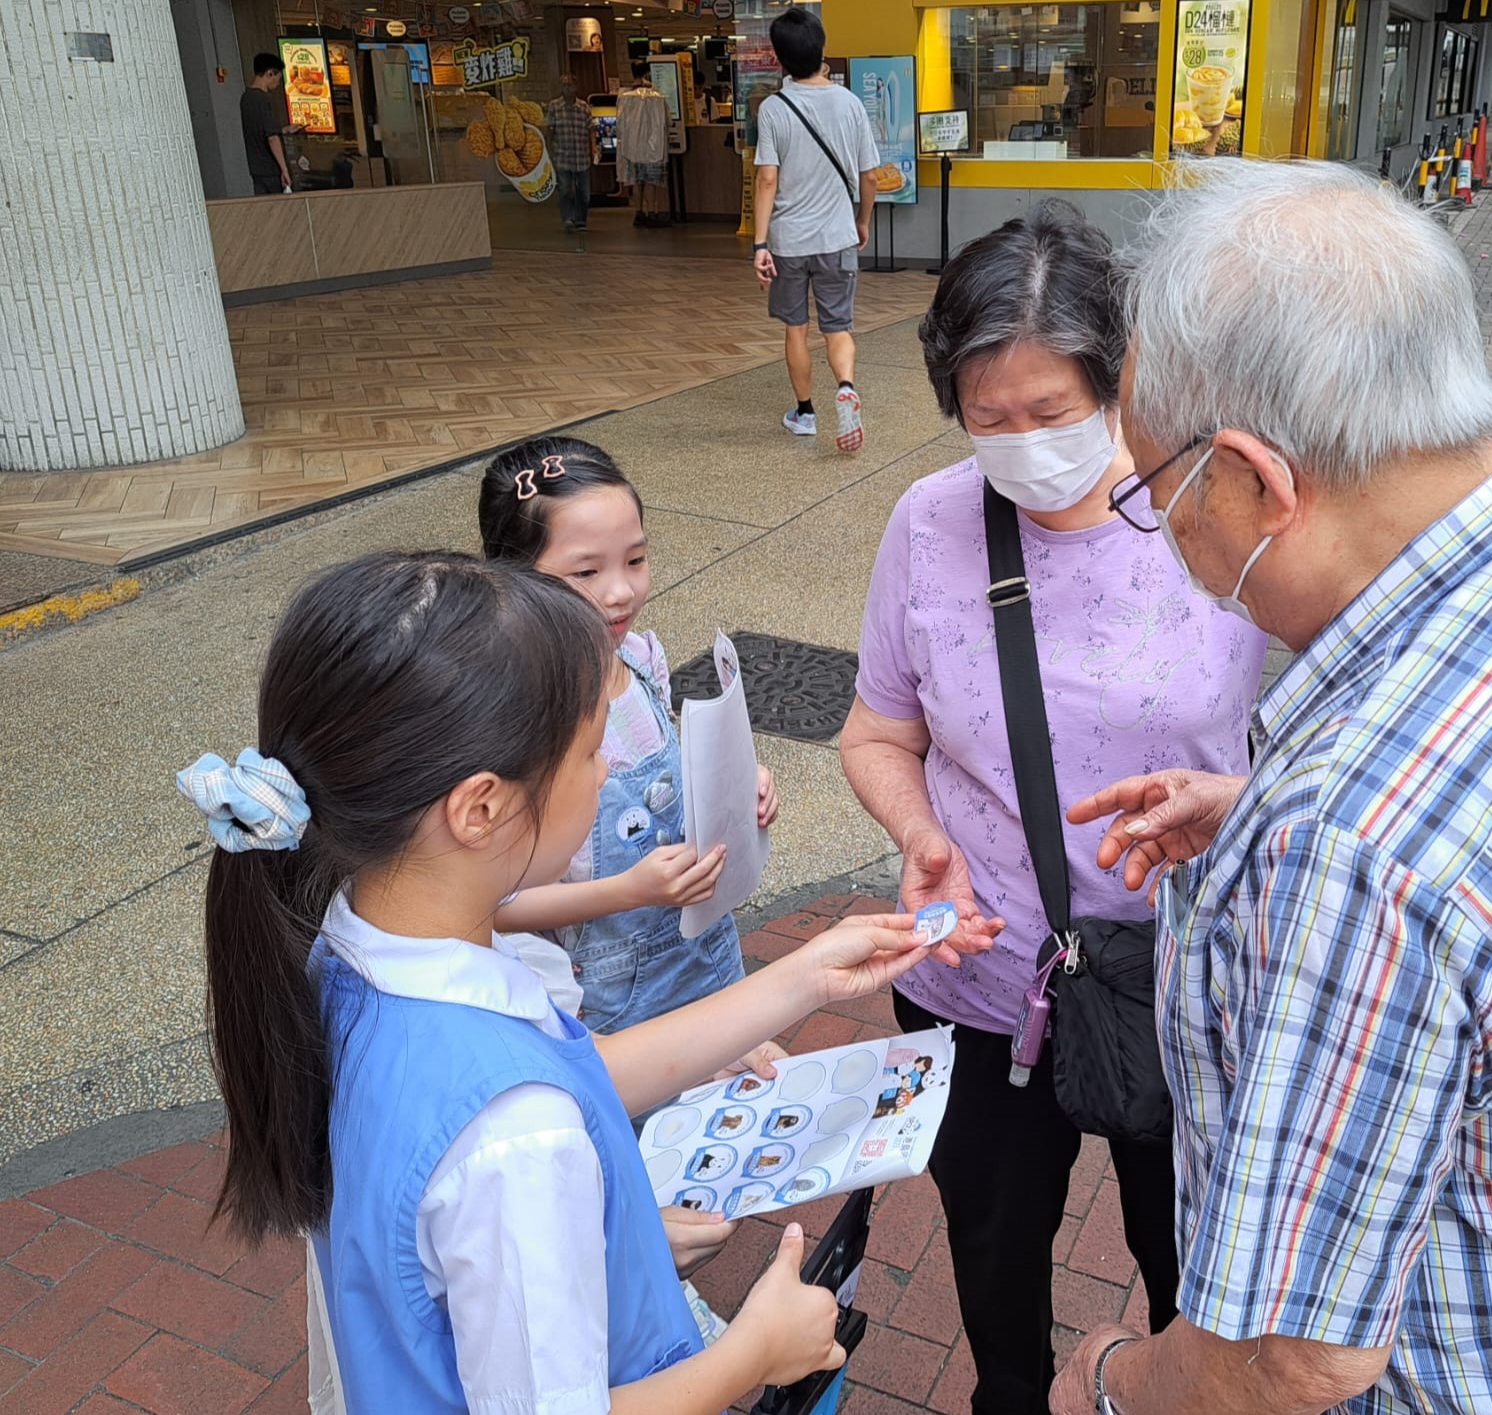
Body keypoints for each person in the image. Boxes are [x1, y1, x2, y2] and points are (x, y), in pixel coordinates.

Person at [1047, 159, 1492, 1415]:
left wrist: (1109, 1383)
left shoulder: (1360, 849)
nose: (1166, 537)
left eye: (1158, 493)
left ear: (1259, 481)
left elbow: (1291, 1354)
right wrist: (1258, 817)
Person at [178, 550, 936, 1412]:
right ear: (481, 806)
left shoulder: (356, 950)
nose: (606, 769)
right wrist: (755, 1350)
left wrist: (801, 976)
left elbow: (574, 1072)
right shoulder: (516, 1140)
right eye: (586, 750)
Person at [840, 200, 1268, 1415]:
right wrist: (921, 834)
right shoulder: (929, 524)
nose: (1022, 443)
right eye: (989, 419)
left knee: (1195, 1268)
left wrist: (1241, 801)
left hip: (1180, 977)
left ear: (1122, 381)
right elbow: (877, 733)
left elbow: (1338, 742)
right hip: (980, 979)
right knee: (992, 1248)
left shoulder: (1217, 509)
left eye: (1053, 412)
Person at [480, 438, 779, 1039]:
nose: (621, 592)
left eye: (635, 560)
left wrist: (735, 784)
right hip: (607, 996)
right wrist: (625, 891)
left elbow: (666, 781)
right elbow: (492, 905)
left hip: (708, 955)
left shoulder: (641, 659)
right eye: (586, 571)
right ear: (513, 578)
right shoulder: (510, 715)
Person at [752, 8, 879, 453]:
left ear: (779, 59)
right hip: (837, 237)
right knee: (838, 327)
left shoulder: (773, 109)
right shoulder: (850, 103)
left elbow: (767, 179)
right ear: (821, 49)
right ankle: (845, 385)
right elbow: (870, 177)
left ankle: (805, 413)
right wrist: (861, 220)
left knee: (795, 328)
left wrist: (760, 242)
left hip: (788, 241)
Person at [617, 61, 672, 229]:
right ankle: (652, 213)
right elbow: (667, 120)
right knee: (651, 182)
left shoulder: (624, 97)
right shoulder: (656, 95)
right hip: (653, 146)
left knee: (636, 181)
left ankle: (638, 212)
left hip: (631, 148)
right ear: (648, 73)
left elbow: (620, 123)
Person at [545, 75, 594, 232]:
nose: (567, 88)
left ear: (576, 87)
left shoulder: (584, 107)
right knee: (565, 189)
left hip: (581, 156)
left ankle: (581, 220)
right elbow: (549, 130)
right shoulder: (554, 106)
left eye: (570, 85)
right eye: (564, 85)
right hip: (563, 156)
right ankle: (568, 218)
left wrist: (593, 149)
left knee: (584, 192)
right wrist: (549, 150)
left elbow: (590, 130)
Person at [240, 53, 289, 196]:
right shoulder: (263, 99)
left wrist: (283, 130)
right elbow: (272, 137)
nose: (278, 83)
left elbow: (257, 129)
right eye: (278, 78)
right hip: (271, 168)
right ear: (270, 73)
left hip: (256, 168)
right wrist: (284, 169)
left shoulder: (246, 97)